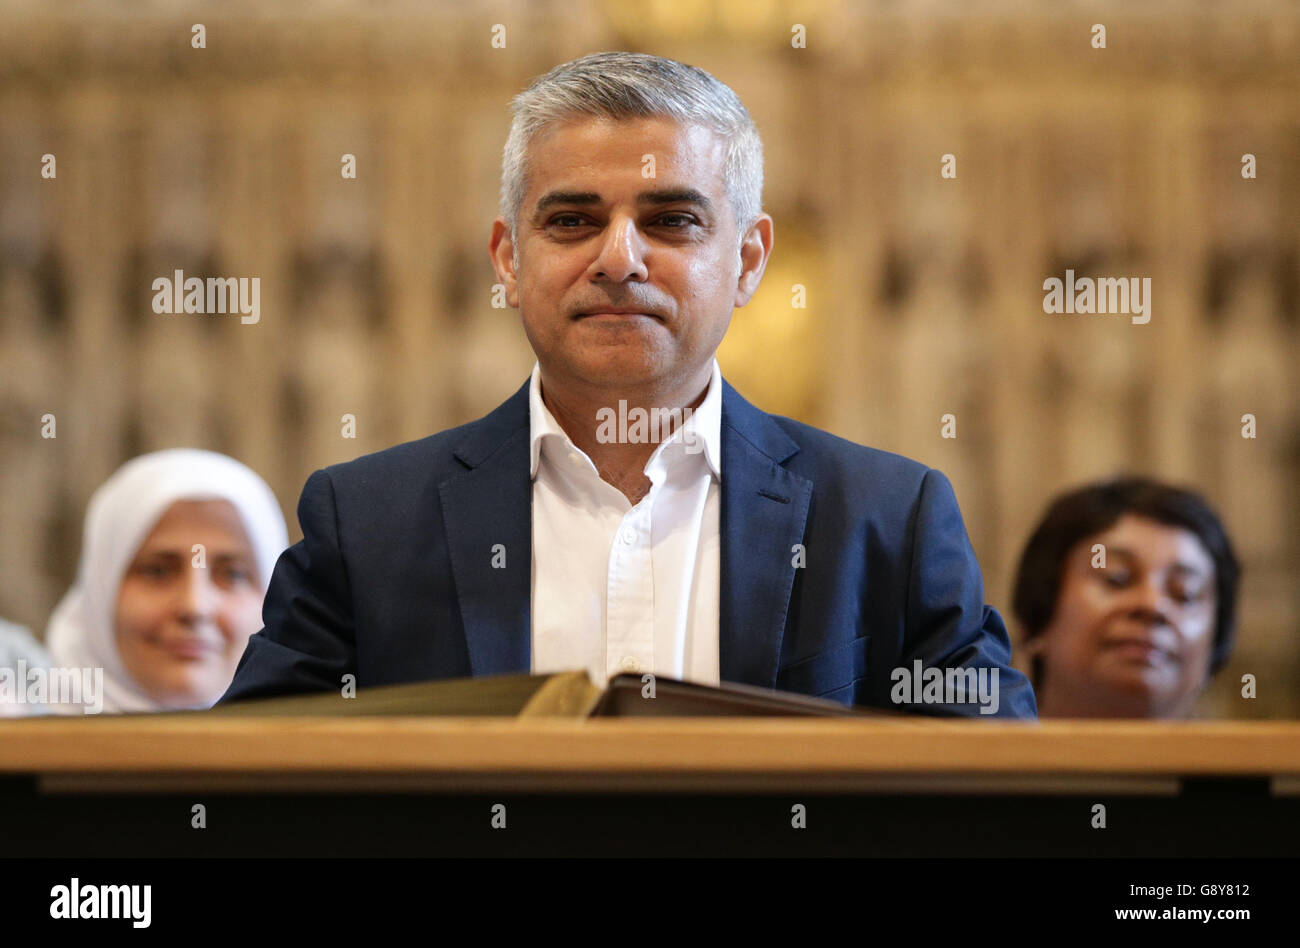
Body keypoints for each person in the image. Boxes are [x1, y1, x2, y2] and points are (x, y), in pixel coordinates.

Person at [220, 52, 1035, 718]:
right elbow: (247, 792)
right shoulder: (365, 525)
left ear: (749, 260)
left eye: (670, 220)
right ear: (508, 258)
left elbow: (1001, 791)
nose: (619, 259)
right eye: (572, 220)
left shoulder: (887, 519)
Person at [42, 449, 288, 714]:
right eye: (157, 571)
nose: (195, 607)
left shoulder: (318, 746)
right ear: (100, 589)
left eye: (232, 575)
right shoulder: (19, 742)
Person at [1012, 477, 1240, 718]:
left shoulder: (1264, 756)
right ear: (1035, 621)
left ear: (1216, 646)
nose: (1152, 605)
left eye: (1185, 594)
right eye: (1117, 579)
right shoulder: (973, 754)